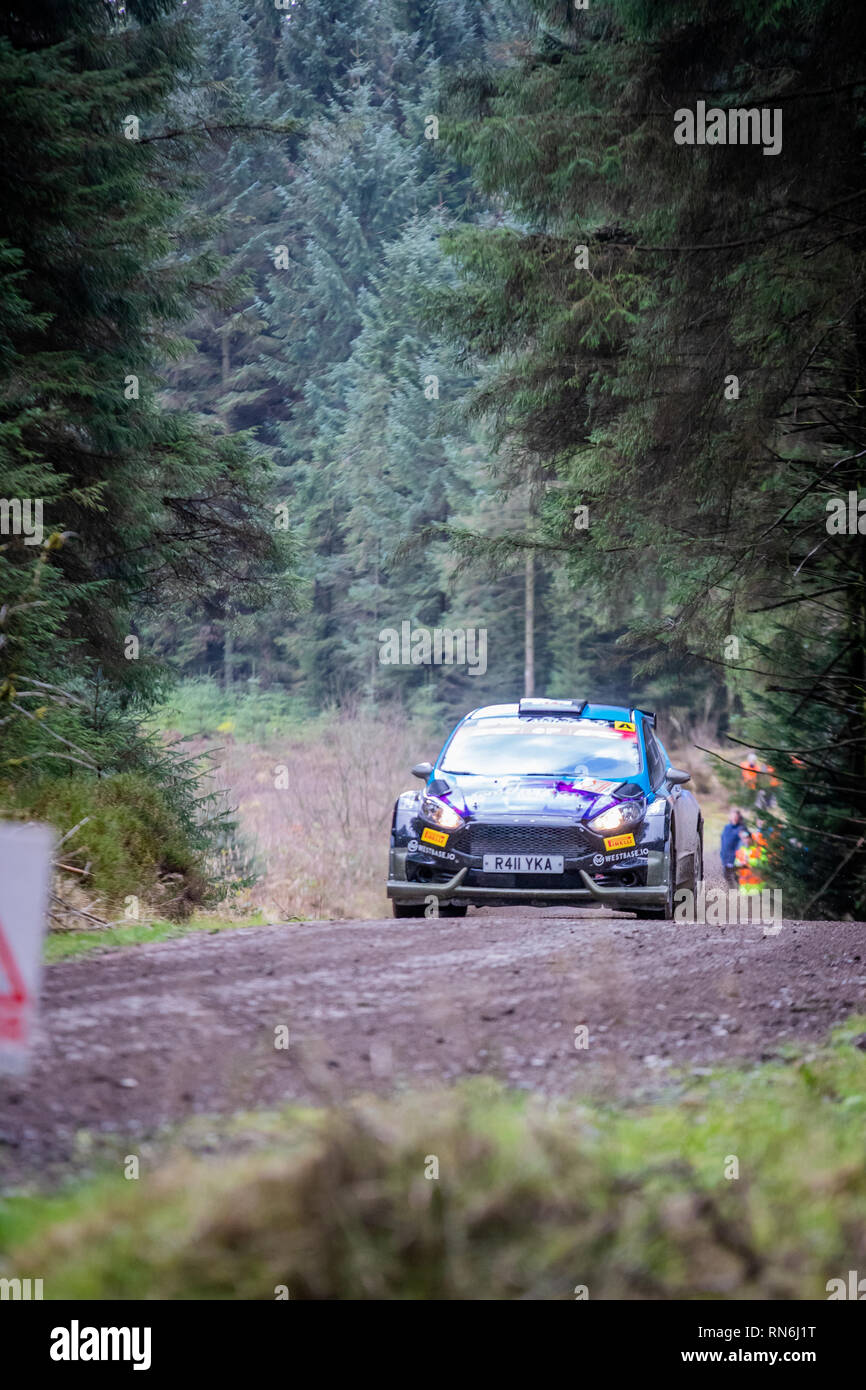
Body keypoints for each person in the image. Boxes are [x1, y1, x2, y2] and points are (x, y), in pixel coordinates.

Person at [721, 808, 748, 889]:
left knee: (737, 876)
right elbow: (723, 840)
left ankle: (742, 891)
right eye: (733, 816)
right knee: (726, 875)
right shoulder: (727, 827)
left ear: (739, 818)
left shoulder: (742, 828)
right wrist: (722, 854)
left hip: (737, 857)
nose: (734, 818)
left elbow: (746, 842)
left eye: (736, 816)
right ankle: (732, 889)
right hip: (726, 856)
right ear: (730, 817)